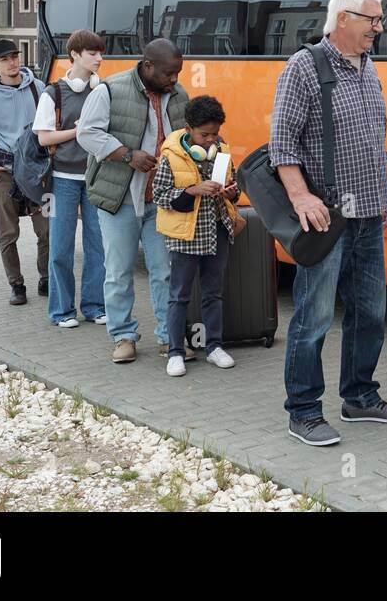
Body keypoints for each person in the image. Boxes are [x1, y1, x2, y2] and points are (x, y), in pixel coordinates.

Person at [270, 0, 387, 446]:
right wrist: (300, 197)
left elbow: (374, 139)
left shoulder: (368, 67)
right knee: (313, 317)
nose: (380, 27)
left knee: (370, 311)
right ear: (344, 19)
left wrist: (386, 190)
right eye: (373, 19)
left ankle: (359, 397)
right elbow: (282, 142)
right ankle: (304, 410)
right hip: (327, 218)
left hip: (370, 213)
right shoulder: (304, 67)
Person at [76, 38, 190, 364]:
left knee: (164, 272)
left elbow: (188, 135)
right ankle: (123, 336)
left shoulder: (179, 95)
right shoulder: (109, 91)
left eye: (178, 73)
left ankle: (171, 339)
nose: (174, 80)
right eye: (169, 73)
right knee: (118, 272)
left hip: (162, 200)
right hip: (120, 199)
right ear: (148, 66)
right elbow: (87, 134)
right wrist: (128, 155)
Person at [152, 95, 244, 378]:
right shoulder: (170, 155)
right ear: (189, 128)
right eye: (204, 134)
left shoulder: (222, 150)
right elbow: (160, 196)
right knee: (179, 295)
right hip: (184, 235)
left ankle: (214, 346)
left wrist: (231, 192)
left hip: (216, 229)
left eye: (215, 134)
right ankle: (175, 351)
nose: (210, 140)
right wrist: (192, 190)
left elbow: (236, 188)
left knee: (213, 292)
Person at [33, 29, 107, 329]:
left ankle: (94, 307)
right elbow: (43, 138)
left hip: (93, 178)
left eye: (100, 53)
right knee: (60, 248)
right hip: (61, 179)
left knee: (97, 247)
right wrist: (79, 131)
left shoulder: (102, 91)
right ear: (75, 54)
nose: (99, 59)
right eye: (93, 53)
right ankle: (62, 311)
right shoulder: (54, 93)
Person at [0, 38, 50, 306]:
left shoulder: (38, 88)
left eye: (15, 56)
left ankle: (46, 278)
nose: (12, 62)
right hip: (4, 169)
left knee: (47, 229)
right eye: (4, 59)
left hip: (38, 169)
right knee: (8, 233)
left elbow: (50, 127)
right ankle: (16, 285)